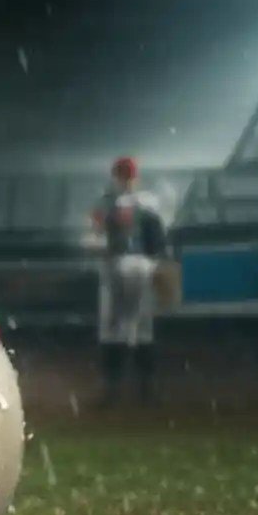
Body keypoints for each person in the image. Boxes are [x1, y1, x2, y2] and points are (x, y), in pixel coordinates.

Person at [89, 156, 170, 407]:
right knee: (143, 327)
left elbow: (97, 236)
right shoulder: (149, 202)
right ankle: (146, 389)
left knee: (112, 326)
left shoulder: (105, 201)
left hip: (115, 263)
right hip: (143, 264)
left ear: (115, 175)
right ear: (135, 176)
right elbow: (159, 240)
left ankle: (112, 388)